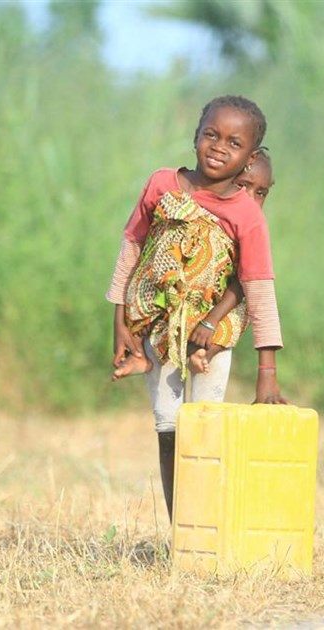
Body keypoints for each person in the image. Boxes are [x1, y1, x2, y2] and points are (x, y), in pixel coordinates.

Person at [105, 95, 287, 521]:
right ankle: (180, 533)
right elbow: (132, 249)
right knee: (167, 428)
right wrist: (119, 321)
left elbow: (258, 289)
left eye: (234, 142)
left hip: (214, 335)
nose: (219, 147)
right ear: (195, 136)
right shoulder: (162, 185)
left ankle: (207, 524)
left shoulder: (247, 215)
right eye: (211, 134)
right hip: (158, 325)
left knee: (206, 430)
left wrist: (268, 375)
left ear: (250, 158)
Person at [186, 148, 274, 375]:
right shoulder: (196, 212)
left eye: (261, 193)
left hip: (220, 311)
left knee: (242, 310)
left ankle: (206, 352)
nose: (251, 200)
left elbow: (244, 284)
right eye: (243, 186)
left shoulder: (252, 229)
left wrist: (211, 320)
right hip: (185, 304)